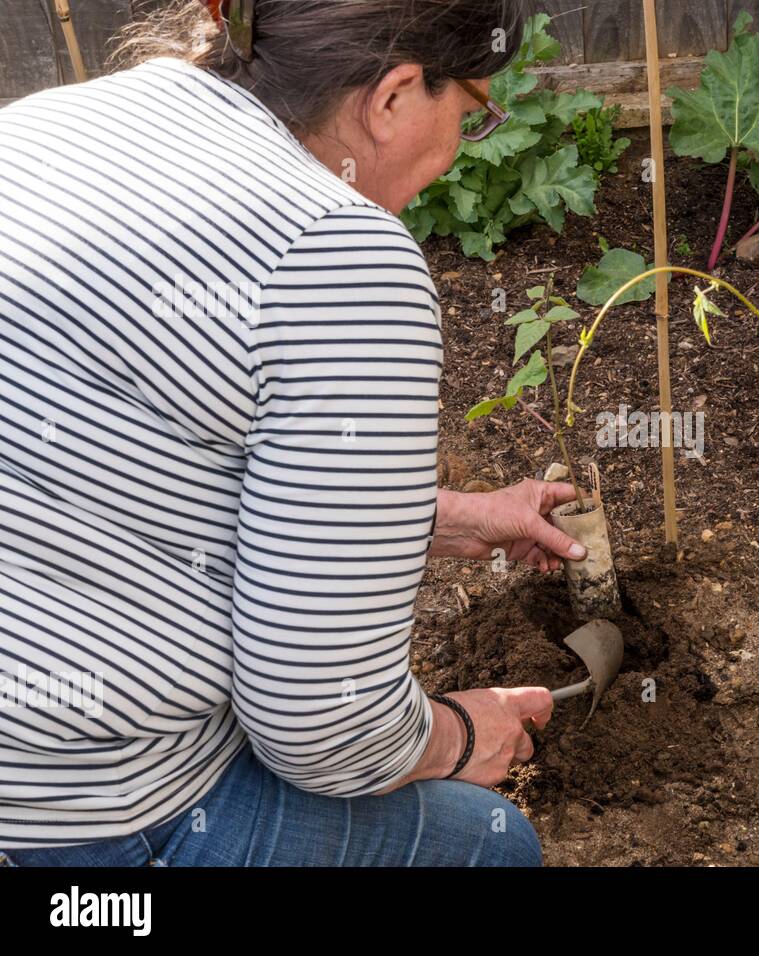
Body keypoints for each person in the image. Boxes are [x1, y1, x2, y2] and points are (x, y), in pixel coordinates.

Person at [0, 0, 578, 867]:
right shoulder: (335, 252)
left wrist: (428, 515)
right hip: (74, 807)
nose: (463, 142)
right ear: (390, 99)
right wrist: (459, 735)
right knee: (490, 845)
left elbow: (118, 456)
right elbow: (318, 726)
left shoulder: (57, 121)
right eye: (470, 112)